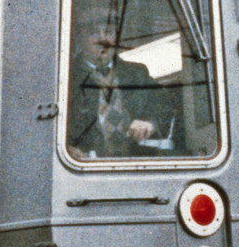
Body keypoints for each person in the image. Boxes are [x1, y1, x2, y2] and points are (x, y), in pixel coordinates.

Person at [67, 19, 173, 160]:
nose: (103, 39)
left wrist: (151, 123)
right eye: (93, 32)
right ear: (79, 38)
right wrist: (67, 149)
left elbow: (167, 105)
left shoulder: (137, 73)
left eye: (109, 32)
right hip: (84, 170)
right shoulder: (65, 77)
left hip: (135, 165)